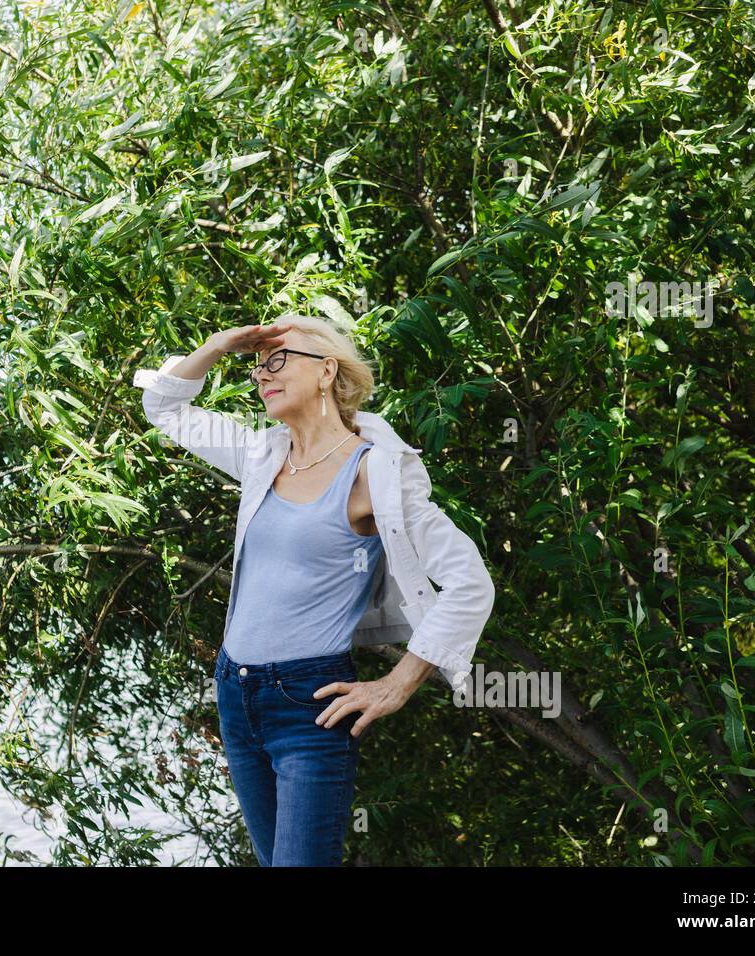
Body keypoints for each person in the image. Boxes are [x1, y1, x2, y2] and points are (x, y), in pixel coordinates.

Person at [132, 313, 495, 866]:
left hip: (309, 705)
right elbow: (164, 407)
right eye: (256, 366)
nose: (261, 374)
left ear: (327, 371)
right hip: (235, 692)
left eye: (278, 360)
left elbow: (470, 582)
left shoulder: (376, 474)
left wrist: (397, 684)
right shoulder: (262, 454)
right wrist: (219, 343)